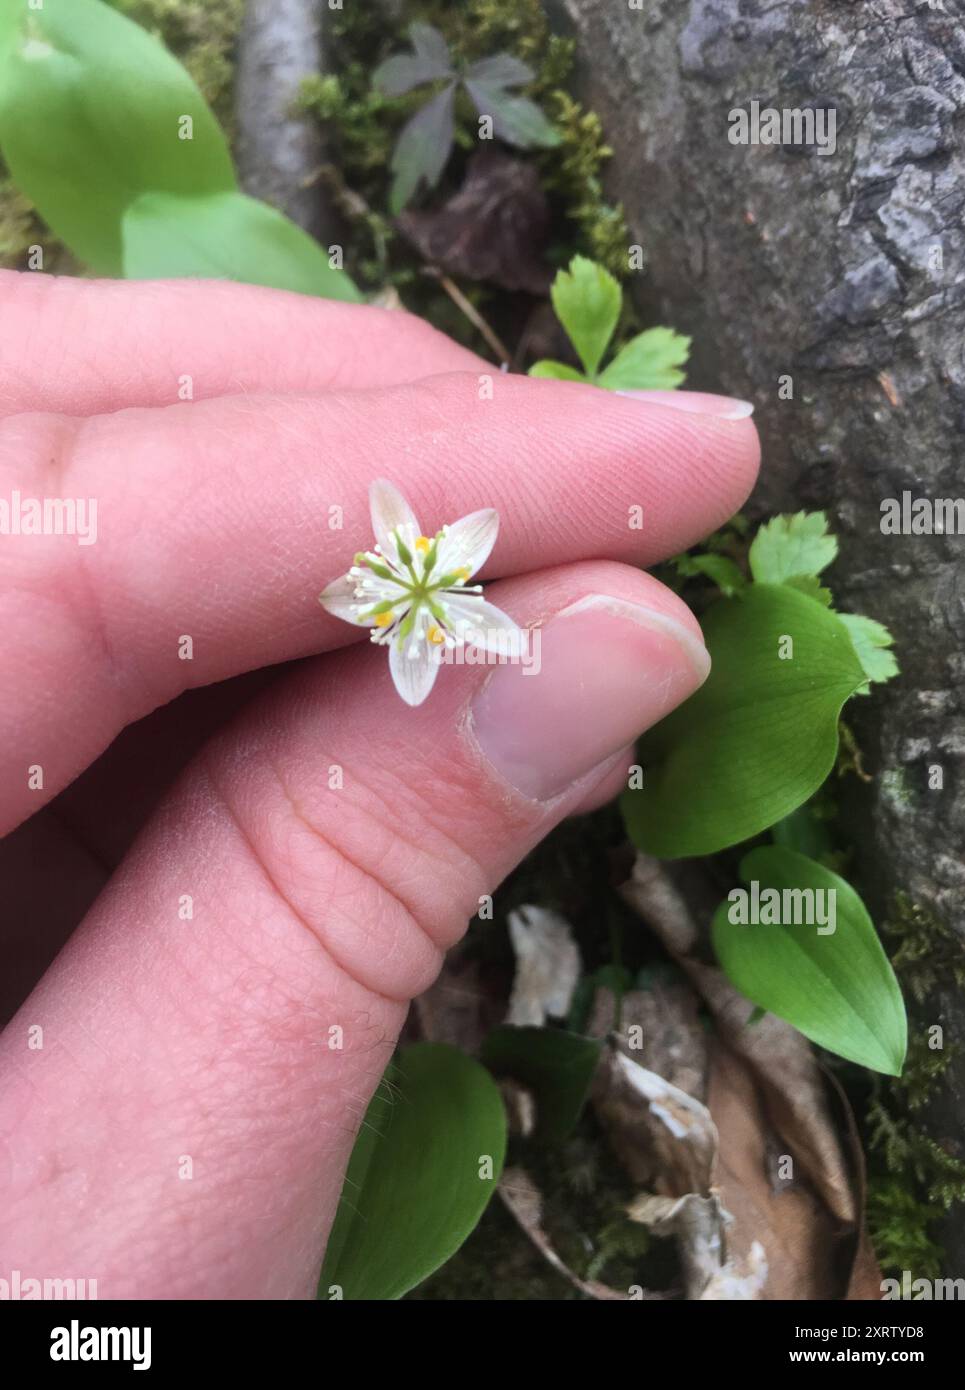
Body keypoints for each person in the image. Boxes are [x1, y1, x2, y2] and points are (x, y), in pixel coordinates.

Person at [0, 271, 759, 1297]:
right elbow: (413, 663)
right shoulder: (416, 613)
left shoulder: (443, 586)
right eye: (403, 577)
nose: (410, 580)